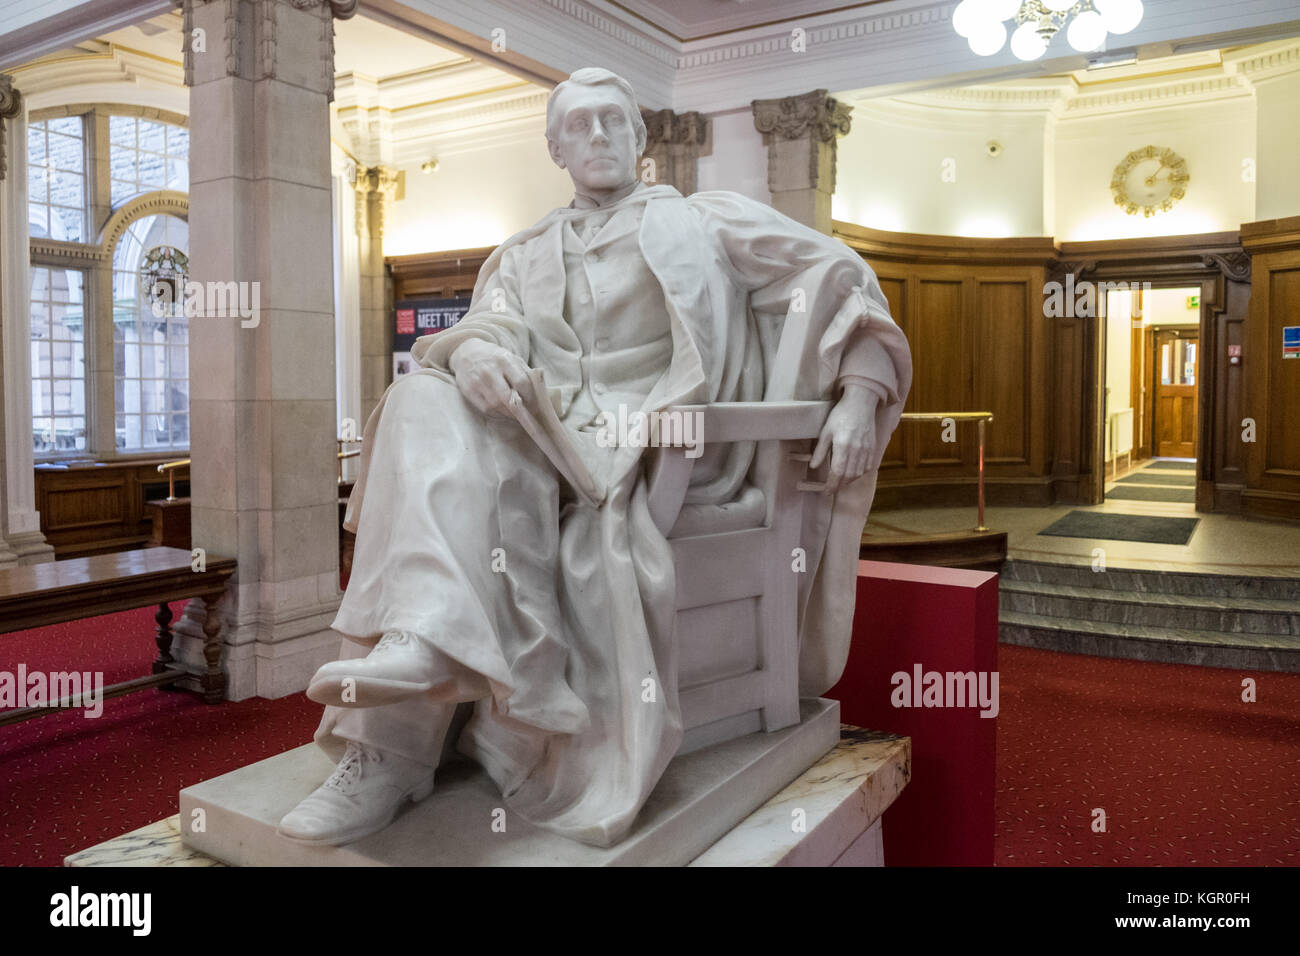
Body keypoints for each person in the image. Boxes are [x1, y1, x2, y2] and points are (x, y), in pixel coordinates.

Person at [277, 68, 912, 848]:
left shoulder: (707, 222)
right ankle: (398, 719)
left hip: (653, 451)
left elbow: (840, 277)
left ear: (641, 139)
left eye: (614, 120)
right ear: (556, 148)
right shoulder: (524, 251)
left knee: (475, 475)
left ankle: (406, 710)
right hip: (540, 441)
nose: (600, 135)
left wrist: (858, 388)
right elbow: (491, 327)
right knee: (420, 394)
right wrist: (473, 350)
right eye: (579, 125)